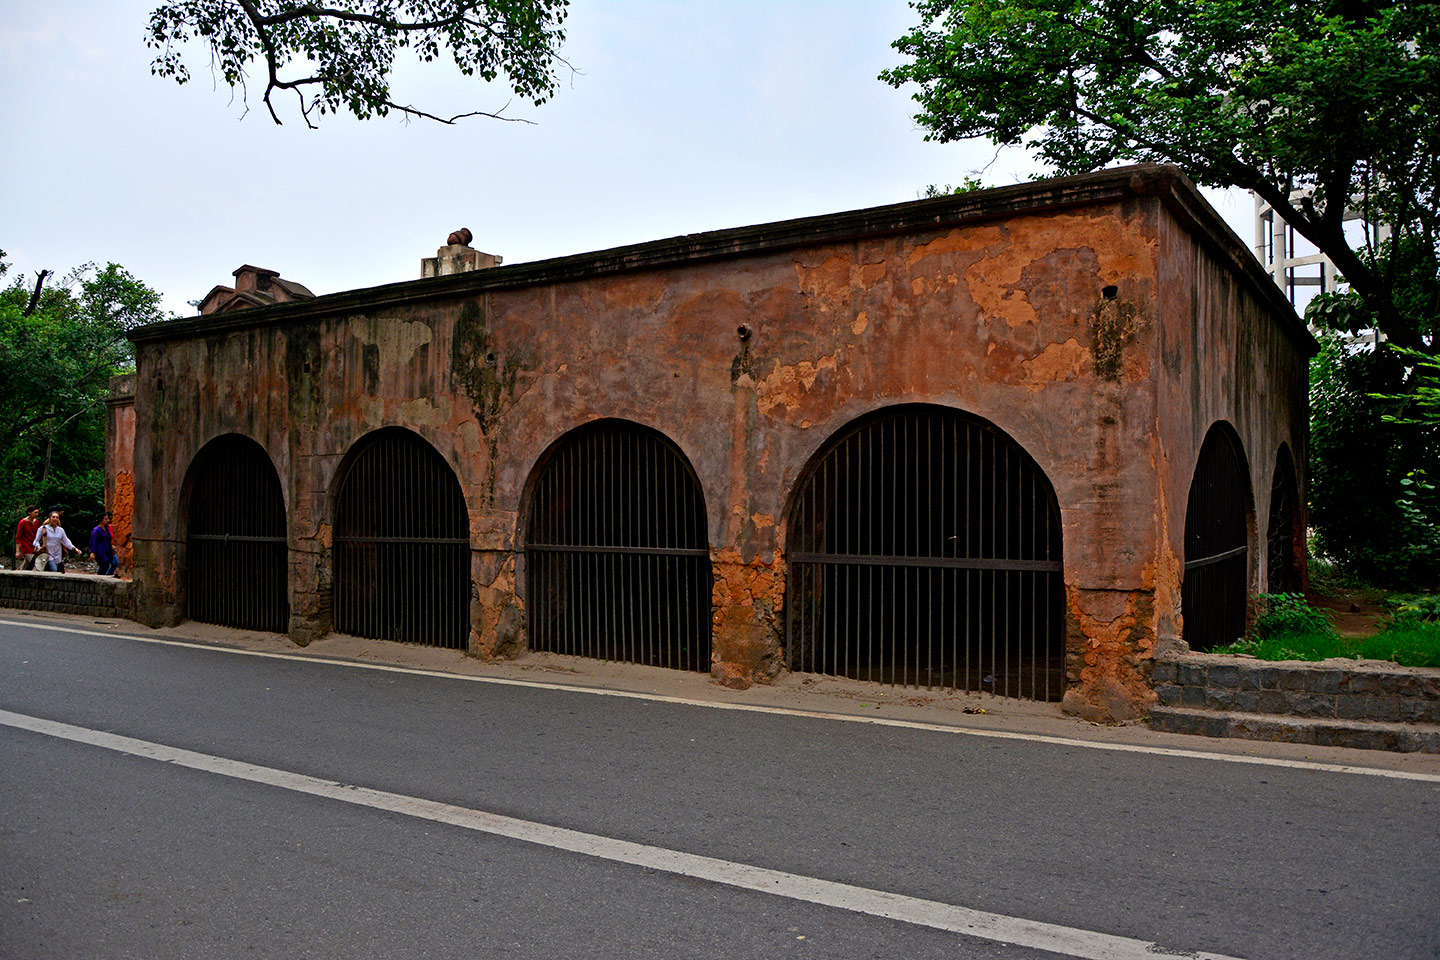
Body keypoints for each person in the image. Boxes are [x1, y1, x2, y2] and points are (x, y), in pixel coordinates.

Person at [89, 511, 119, 576]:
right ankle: (100, 577)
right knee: (104, 564)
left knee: (112, 563)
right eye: (106, 519)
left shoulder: (106, 528)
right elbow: (93, 541)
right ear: (101, 520)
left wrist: (111, 546)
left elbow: (108, 539)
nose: (108, 520)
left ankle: (104, 576)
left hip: (107, 549)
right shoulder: (96, 530)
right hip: (100, 551)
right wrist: (92, 552)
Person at [14, 506, 40, 571]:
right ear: (29, 513)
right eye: (35, 513)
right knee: (34, 563)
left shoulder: (36, 522)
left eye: (37, 513)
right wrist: (17, 551)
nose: (36, 514)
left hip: (33, 545)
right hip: (26, 546)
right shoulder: (23, 522)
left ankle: (19, 574)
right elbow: (18, 537)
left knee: (27, 564)